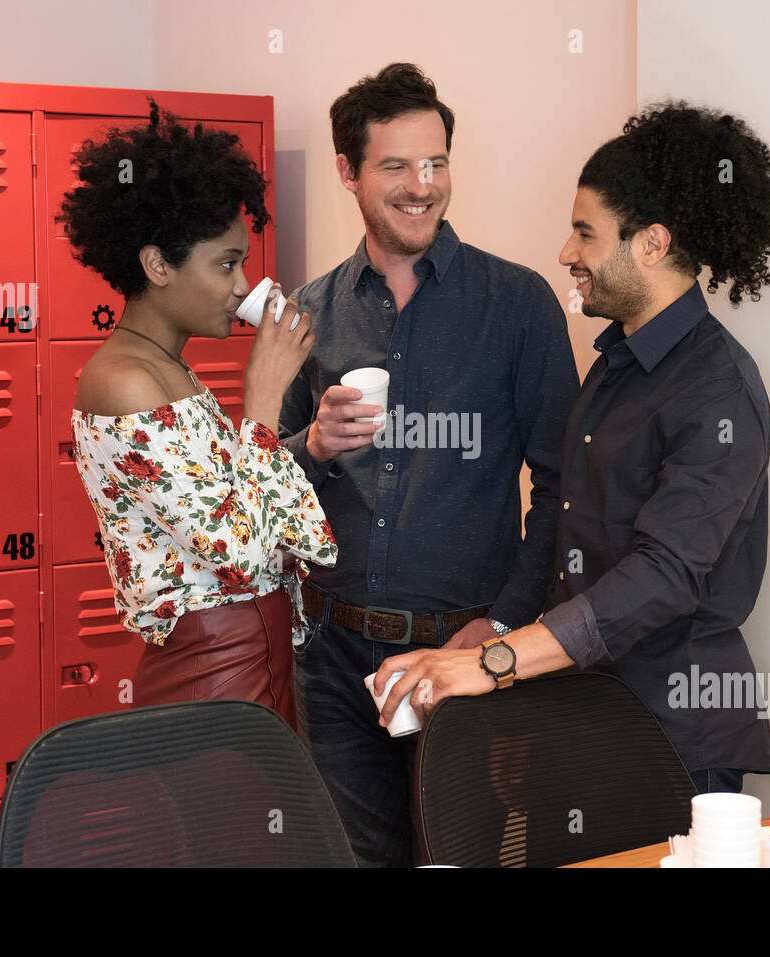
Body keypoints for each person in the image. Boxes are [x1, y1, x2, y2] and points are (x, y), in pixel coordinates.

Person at [373, 101, 770, 796]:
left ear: (652, 244)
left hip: (674, 734)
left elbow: (661, 575)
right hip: (586, 715)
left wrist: (501, 660)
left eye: (584, 233)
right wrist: (500, 633)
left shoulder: (719, 391)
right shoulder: (613, 366)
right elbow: (567, 524)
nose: (567, 253)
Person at [278, 64, 580, 866]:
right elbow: (261, 487)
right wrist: (310, 446)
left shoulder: (518, 305)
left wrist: (504, 623)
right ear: (348, 171)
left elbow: (563, 487)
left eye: (436, 163)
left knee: (460, 857)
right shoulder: (307, 312)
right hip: (336, 663)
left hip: (463, 653)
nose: (423, 186)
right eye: (396, 166)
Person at [64, 99, 337, 730]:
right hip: (210, 667)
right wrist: (263, 394)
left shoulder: (170, 367)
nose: (244, 285)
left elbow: (232, 495)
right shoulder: (123, 383)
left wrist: (311, 444)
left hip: (250, 650)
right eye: (225, 263)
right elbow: (236, 549)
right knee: (229, 827)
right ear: (158, 265)